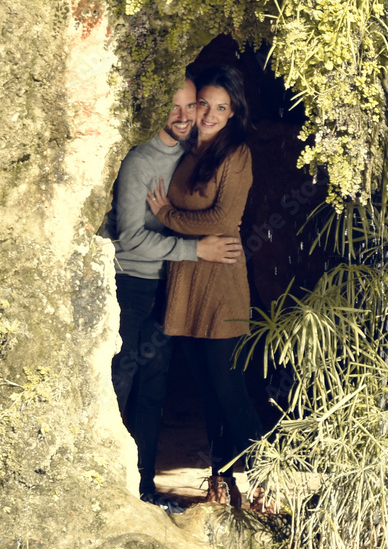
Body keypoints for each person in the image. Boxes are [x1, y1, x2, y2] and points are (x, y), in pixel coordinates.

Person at [103, 74, 243, 514]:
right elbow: (129, 239)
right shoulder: (140, 161)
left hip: (171, 286)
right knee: (121, 382)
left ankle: (144, 488)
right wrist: (195, 249)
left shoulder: (195, 155)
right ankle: (108, 483)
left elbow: (215, 211)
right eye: (174, 106)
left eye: (191, 105)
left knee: (154, 389)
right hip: (133, 285)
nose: (185, 116)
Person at [147, 64, 263, 509]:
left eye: (221, 107)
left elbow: (224, 219)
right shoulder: (188, 149)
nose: (210, 114)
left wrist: (168, 216)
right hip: (186, 277)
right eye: (203, 104)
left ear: (233, 113)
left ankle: (265, 475)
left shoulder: (237, 153)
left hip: (220, 280)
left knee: (227, 385)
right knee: (206, 389)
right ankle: (223, 481)